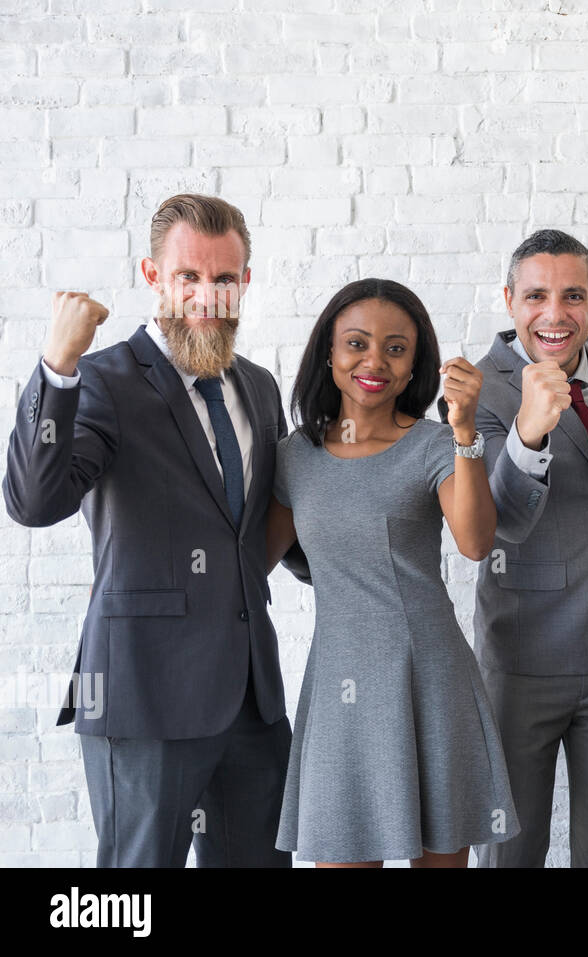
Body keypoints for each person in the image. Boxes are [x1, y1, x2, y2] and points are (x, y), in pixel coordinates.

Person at [3, 193, 304, 867]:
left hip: (253, 700)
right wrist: (57, 367)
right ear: (152, 276)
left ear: (244, 282)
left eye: (224, 279)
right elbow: (32, 499)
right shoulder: (104, 382)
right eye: (188, 277)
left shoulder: (257, 387)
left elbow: (272, 527)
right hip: (143, 697)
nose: (207, 295)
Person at [265, 278, 518, 868]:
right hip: (339, 683)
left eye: (396, 349)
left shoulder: (435, 444)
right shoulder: (293, 457)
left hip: (428, 676)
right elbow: (252, 565)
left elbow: (477, 543)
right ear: (328, 353)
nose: (374, 361)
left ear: (414, 368)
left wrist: (465, 432)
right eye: (356, 343)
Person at [466, 230, 588, 868]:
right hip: (524, 657)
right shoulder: (482, 390)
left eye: (573, 296)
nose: (555, 314)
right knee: (511, 850)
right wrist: (527, 431)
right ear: (509, 300)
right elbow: (496, 525)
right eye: (536, 296)